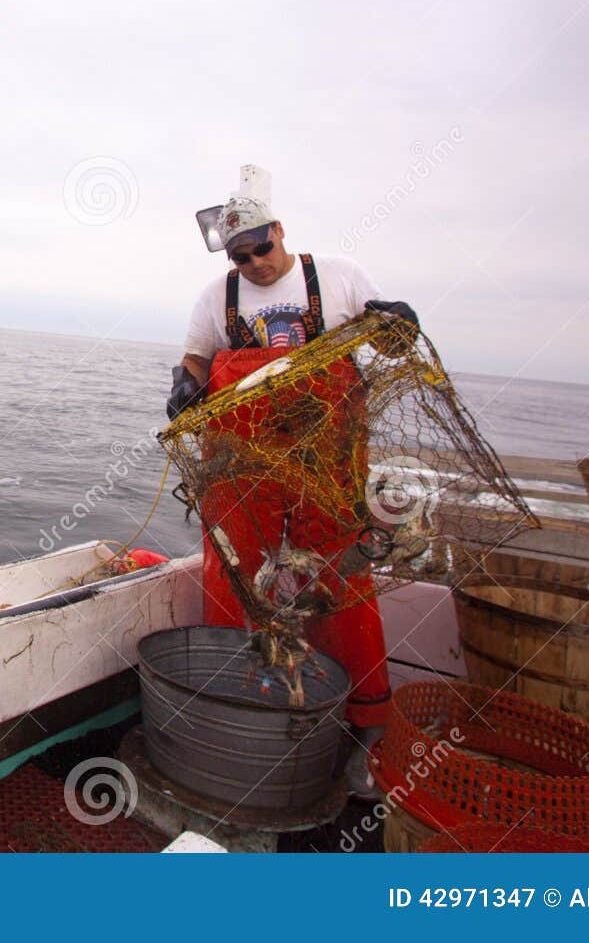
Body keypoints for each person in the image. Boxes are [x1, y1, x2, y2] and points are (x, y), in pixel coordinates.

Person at [167, 190, 418, 791]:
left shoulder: (338, 276)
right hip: (238, 450)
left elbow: (389, 341)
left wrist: (399, 324)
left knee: (339, 567)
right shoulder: (216, 298)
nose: (254, 262)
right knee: (230, 564)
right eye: (240, 255)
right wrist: (183, 384)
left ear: (280, 230)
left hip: (325, 446)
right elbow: (198, 358)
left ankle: (366, 722)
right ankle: (236, 700)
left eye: (261, 247)